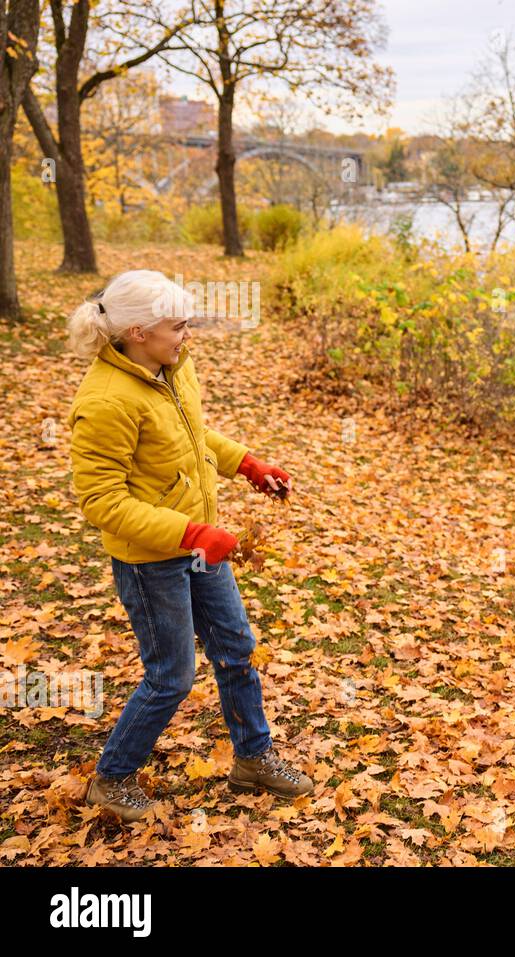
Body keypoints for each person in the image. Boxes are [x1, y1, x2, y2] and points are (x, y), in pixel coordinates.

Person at [65, 270, 314, 823]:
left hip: (200, 545)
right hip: (151, 561)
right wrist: (191, 533)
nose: (187, 334)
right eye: (177, 325)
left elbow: (192, 437)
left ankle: (253, 759)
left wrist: (247, 464)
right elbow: (102, 501)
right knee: (171, 676)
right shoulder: (105, 402)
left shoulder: (172, 366)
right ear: (137, 333)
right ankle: (112, 778)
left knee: (236, 649)